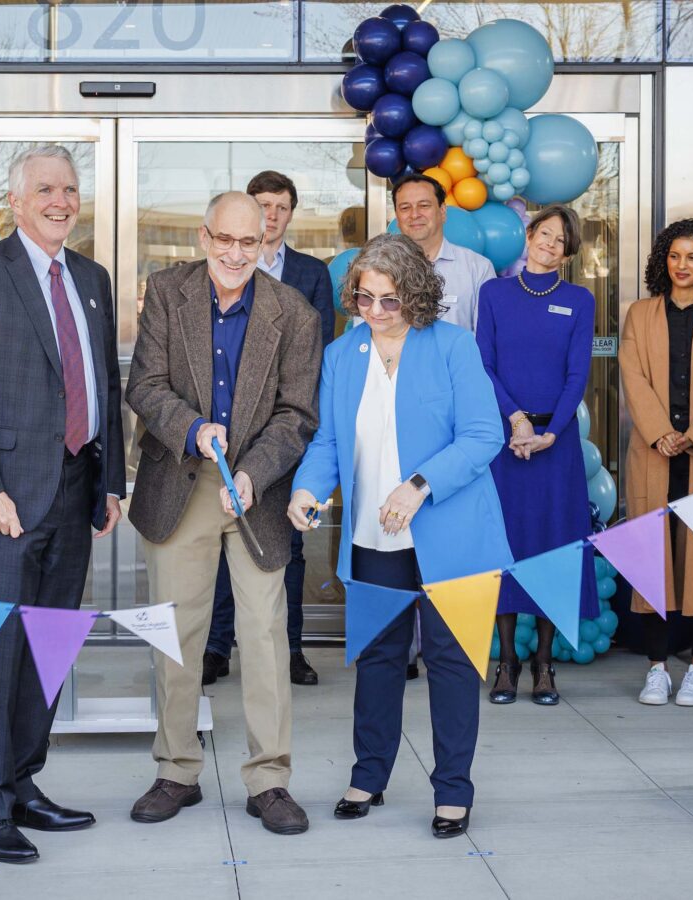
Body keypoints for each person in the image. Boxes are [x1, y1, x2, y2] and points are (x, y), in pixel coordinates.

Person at [0, 145, 125, 865]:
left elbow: (102, 383)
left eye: (70, 188)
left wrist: (110, 482)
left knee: (47, 649)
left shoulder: (92, 278)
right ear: (16, 201)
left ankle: (22, 784)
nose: (60, 200)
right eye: (45, 189)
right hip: (5, 501)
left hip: (75, 492)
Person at [288, 233, 513, 837]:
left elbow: (482, 435)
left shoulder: (452, 346)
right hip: (372, 534)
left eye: (389, 300)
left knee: (452, 660)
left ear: (414, 295)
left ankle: (453, 792)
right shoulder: (343, 354)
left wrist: (418, 485)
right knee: (378, 658)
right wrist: (308, 489)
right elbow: (330, 443)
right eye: (364, 299)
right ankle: (369, 775)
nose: (376, 312)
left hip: (452, 532)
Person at [125, 192, 321, 835]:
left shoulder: (293, 311)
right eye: (225, 240)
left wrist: (252, 471)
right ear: (205, 237)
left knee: (264, 634)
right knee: (176, 634)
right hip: (181, 477)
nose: (237, 254)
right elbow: (145, 386)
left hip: (255, 486)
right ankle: (177, 770)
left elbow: (298, 415)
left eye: (250, 242)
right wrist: (194, 429)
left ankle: (269, 781)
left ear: (266, 240)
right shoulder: (166, 291)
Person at [203, 171, 336, 689]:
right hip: (219, 434)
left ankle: (292, 647)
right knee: (219, 538)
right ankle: (216, 647)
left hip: (283, 429)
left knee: (287, 543)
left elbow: (315, 351)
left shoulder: (310, 273)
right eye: (264, 204)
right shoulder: (219, 266)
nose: (273, 213)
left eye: (281, 206)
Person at [476, 206, 594, 706]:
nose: (549, 243)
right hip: (508, 442)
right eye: (544, 233)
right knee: (505, 551)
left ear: (568, 252)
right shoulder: (495, 293)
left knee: (552, 550)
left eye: (560, 239)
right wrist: (517, 420)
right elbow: (484, 363)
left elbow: (577, 373)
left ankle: (544, 664)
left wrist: (552, 431)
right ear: (529, 235)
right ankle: (506, 662)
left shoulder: (579, 300)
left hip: (556, 445)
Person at [620, 219, 693, 707]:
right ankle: (655, 668)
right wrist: (659, 433)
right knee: (652, 555)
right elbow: (632, 375)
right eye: (674, 256)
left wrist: (692, 435)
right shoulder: (640, 314)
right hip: (652, 451)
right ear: (662, 261)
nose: (682, 265)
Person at [392, 172, 495, 332]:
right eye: (405, 208)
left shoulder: (478, 268)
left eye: (424, 205)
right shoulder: (380, 269)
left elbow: (486, 336)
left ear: (442, 212)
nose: (414, 214)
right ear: (397, 219)